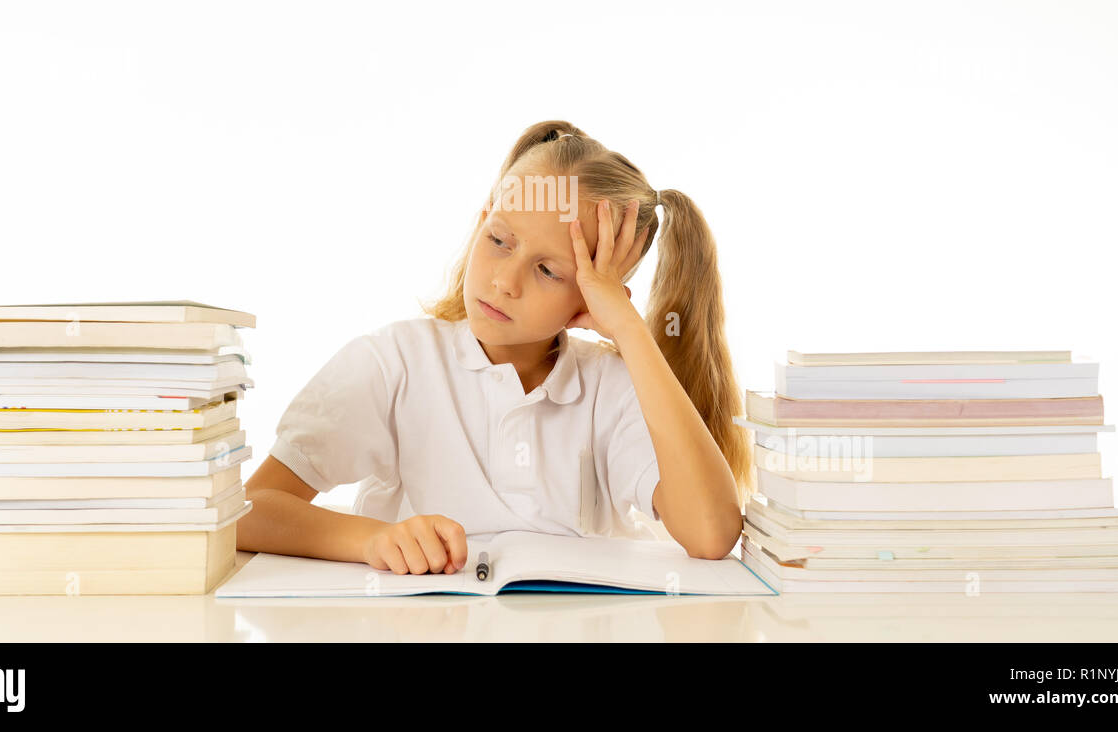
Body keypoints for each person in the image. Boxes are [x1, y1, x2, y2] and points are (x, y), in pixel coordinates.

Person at [237, 120, 755, 574]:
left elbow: (711, 534)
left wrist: (629, 331)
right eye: (499, 240)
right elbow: (249, 508)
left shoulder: (615, 387)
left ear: (593, 293)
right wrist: (370, 538)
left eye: (549, 271)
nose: (505, 281)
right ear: (482, 218)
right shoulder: (394, 363)